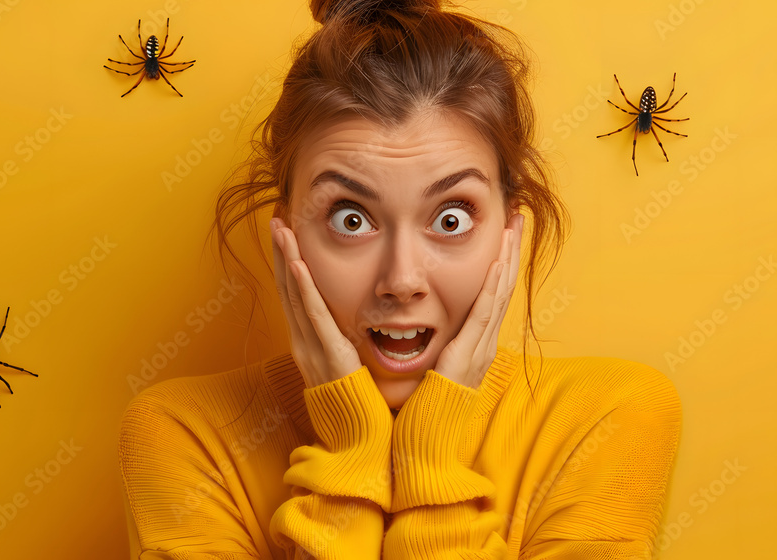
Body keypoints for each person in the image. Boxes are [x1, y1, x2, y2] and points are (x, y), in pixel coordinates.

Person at [119, 0, 682, 557]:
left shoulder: (607, 418)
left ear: (511, 231)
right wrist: (352, 449)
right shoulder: (185, 435)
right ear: (285, 229)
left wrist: (431, 459)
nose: (402, 280)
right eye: (351, 219)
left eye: (451, 218)